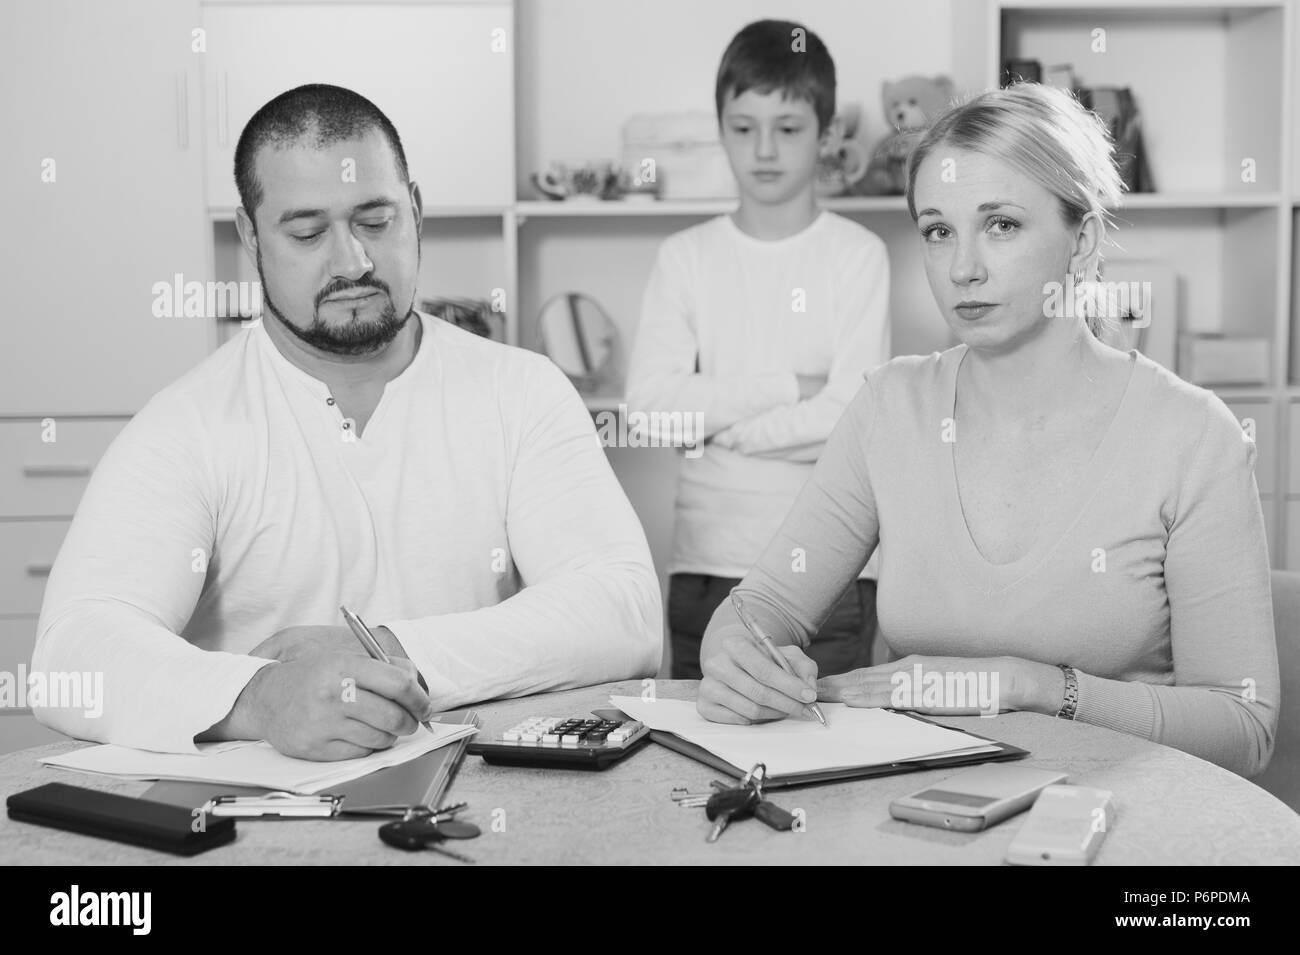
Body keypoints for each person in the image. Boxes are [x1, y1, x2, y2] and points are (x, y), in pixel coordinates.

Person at [32, 84, 662, 759]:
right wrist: (263, 696)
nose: (352, 262)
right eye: (307, 232)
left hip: (477, 807)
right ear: (251, 236)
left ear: (415, 211)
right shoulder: (188, 425)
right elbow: (74, 653)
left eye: (375, 220)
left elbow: (623, 610)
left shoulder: (521, 390)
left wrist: (390, 651)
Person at [695, 82, 1278, 779]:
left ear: (1082, 239)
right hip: (910, 819)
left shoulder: (1192, 435)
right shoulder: (891, 407)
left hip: (1116, 829)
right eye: (939, 230)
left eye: (1000, 224)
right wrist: (732, 650)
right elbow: (763, 604)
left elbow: (1243, 726)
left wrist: (1029, 685)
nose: (963, 268)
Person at [626, 19, 890, 681]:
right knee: (699, 770)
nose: (764, 149)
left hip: (832, 570)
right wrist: (784, 386)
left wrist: (724, 431)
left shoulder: (858, 256)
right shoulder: (685, 257)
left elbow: (848, 421)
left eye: (789, 128)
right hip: (707, 565)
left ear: (827, 134)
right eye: (743, 128)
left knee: (828, 768)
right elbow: (650, 410)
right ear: (721, 129)